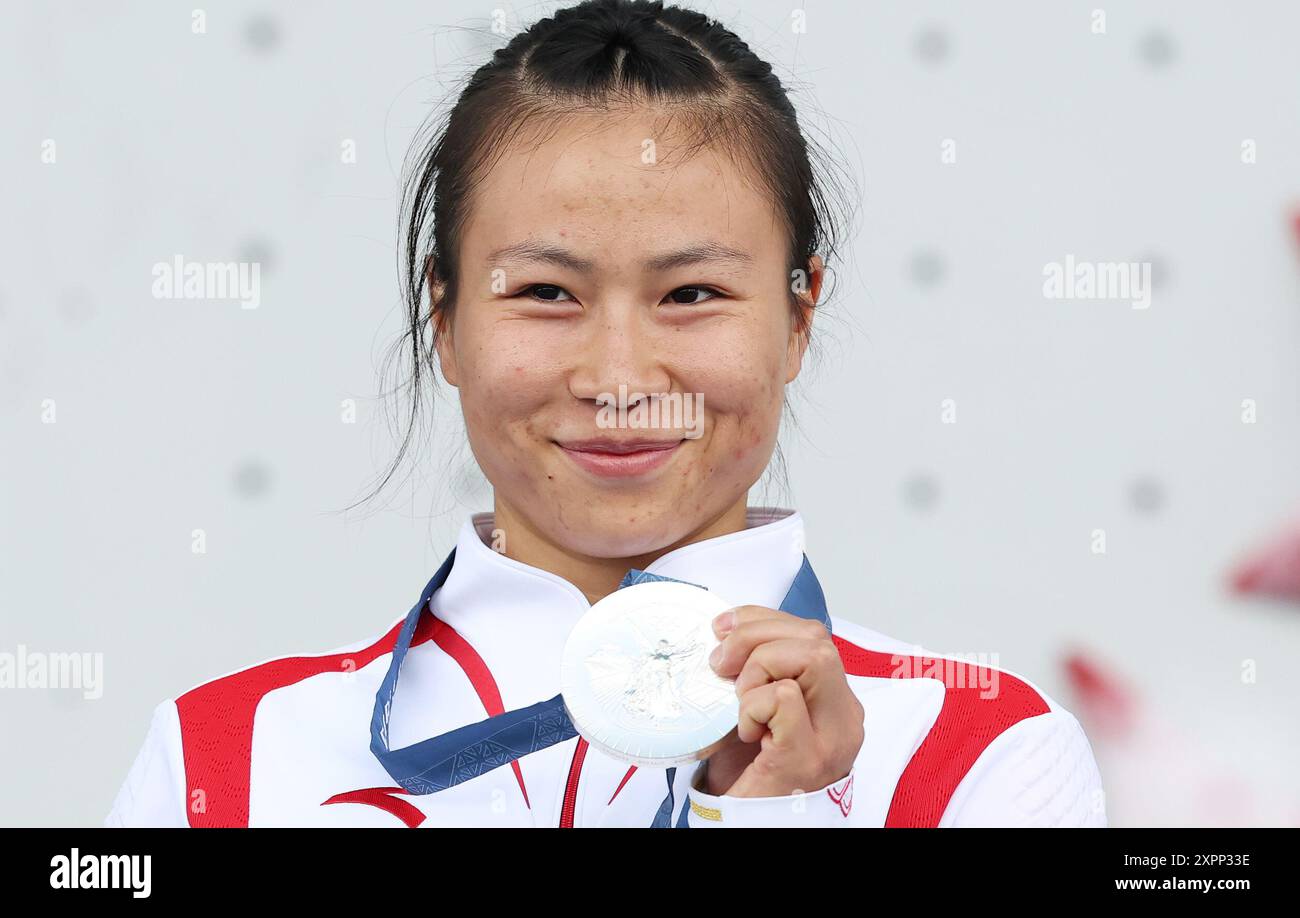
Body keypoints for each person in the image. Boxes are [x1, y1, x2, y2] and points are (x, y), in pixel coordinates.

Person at [105, 0, 1106, 828]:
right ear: (444, 319)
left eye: (691, 295)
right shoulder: (224, 763)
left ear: (798, 317)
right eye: (545, 293)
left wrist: (775, 811)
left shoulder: (981, 757)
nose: (619, 376)